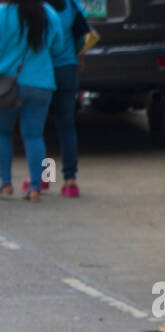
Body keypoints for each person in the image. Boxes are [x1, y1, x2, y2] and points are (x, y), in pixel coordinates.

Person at [0, 0, 58, 200]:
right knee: (34, 136)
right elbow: (57, 46)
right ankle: (35, 187)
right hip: (41, 82)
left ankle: (6, 184)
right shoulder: (49, 13)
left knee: (3, 133)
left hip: (7, 85)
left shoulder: (3, 14)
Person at [47, 0, 87, 197]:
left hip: (43, 71)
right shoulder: (73, 5)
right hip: (68, 69)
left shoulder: (38, 6)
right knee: (67, 125)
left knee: (37, 129)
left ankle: (43, 178)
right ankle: (70, 180)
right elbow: (83, 37)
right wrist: (80, 60)